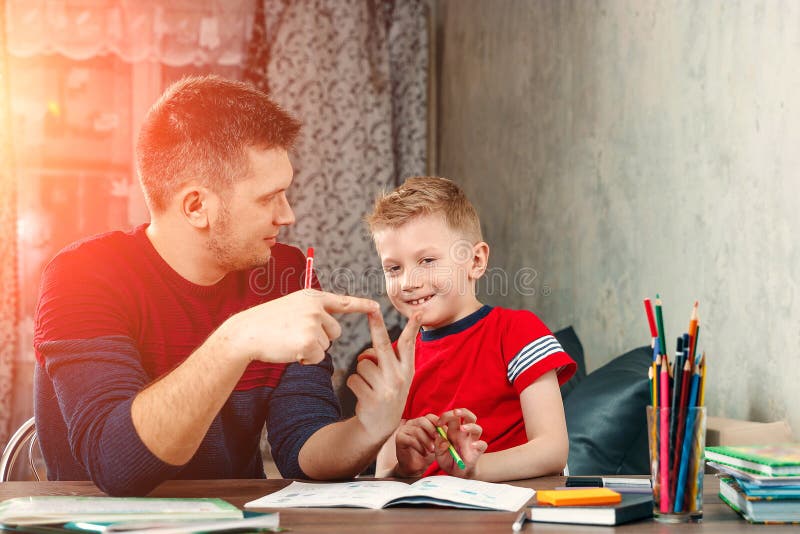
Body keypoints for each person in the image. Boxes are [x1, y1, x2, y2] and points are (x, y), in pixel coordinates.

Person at [33, 75, 421, 496]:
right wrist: (239, 338)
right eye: (267, 198)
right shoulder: (81, 275)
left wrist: (368, 430)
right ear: (197, 206)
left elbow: (303, 450)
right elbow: (116, 464)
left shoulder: (285, 273)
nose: (287, 215)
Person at [366, 176, 576, 482]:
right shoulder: (394, 363)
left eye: (426, 260)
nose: (408, 282)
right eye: (394, 268)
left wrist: (473, 469)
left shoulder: (519, 332)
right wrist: (405, 466)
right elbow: (384, 473)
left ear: (475, 261)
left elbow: (553, 450)